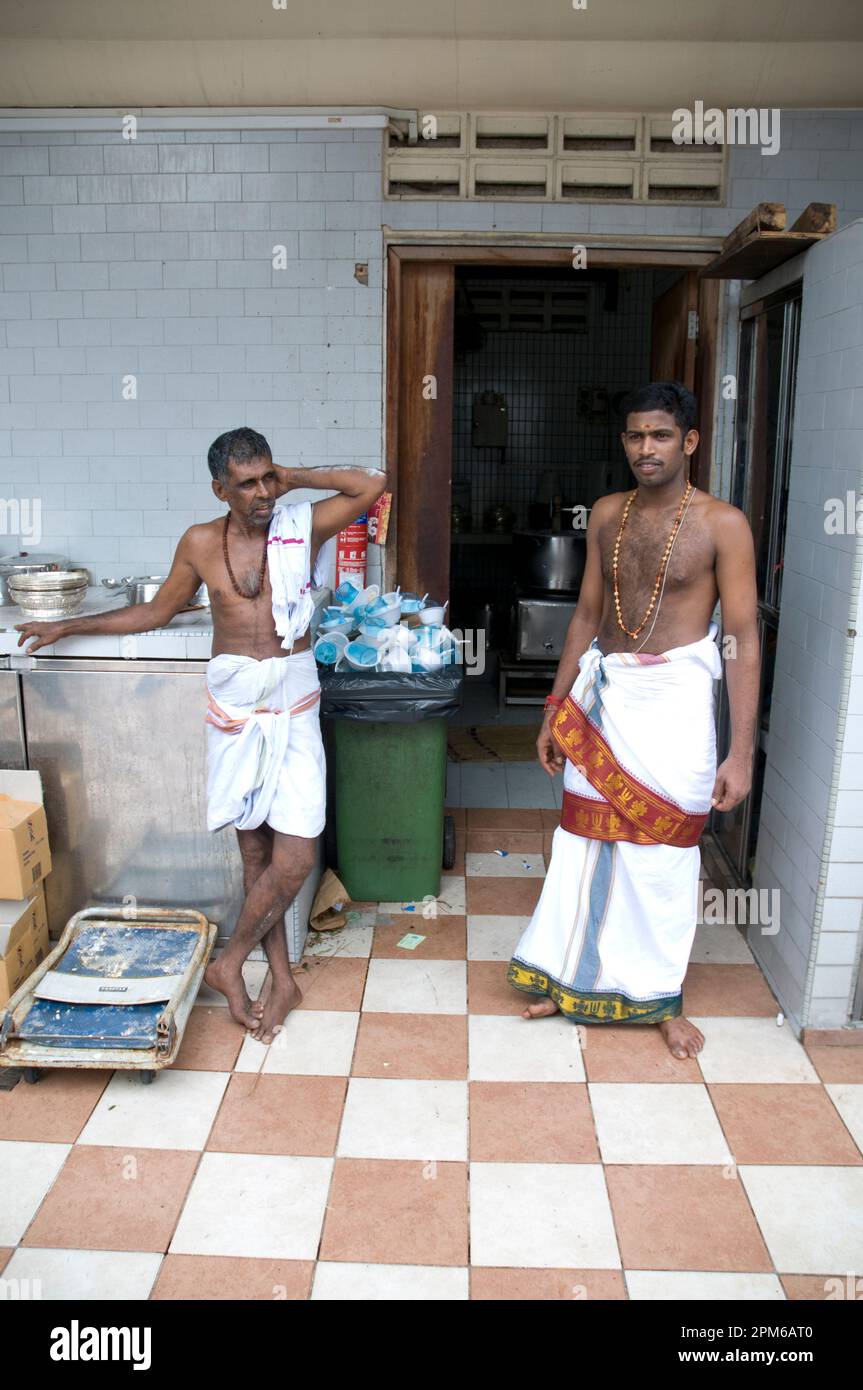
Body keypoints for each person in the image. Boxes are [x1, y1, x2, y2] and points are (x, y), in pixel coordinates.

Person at [16, 427, 387, 1043]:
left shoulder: (300, 524)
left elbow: (372, 484)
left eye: (269, 477)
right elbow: (156, 612)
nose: (263, 493)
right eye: (248, 484)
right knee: (255, 853)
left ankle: (228, 961)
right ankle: (281, 975)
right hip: (237, 708)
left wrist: (290, 478)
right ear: (219, 489)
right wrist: (69, 627)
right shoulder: (198, 544)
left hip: (291, 703)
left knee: (294, 856)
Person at [508, 382, 759, 1059]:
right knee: (583, 845)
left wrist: (740, 753)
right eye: (633, 436)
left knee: (664, 855)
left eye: (659, 436)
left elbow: (742, 637)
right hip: (606, 698)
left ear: (689, 442)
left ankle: (658, 998)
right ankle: (571, 980)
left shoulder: (721, 524)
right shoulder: (606, 514)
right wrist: (554, 709)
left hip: (675, 707)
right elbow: (585, 616)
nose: (644, 448)